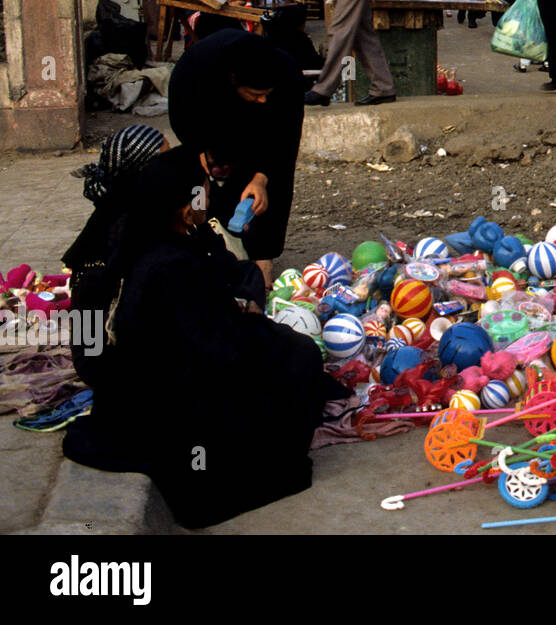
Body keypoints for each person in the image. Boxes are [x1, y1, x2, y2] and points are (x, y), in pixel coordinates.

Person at [62, 147, 348, 528]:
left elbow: (223, 285)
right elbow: (218, 349)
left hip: (141, 383)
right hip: (166, 394)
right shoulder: (155, 266)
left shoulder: (142, 234)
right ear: (182, 206)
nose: (209, 195)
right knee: (297, 358)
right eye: (202, 189)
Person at [168, 28, 304, 288]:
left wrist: (262, 177)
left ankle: (263, 256)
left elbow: (286, 138)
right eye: (256, 94)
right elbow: (182, 117)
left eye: (268, 93)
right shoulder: (194, 72)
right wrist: (201, 151)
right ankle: (222, 247)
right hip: (212, 123)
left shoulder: (286, 73)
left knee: (272, 181)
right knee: (213, 184)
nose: (263, 100)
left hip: (266, 130)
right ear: (233, 80)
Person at [63, 126, 169, 386]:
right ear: (145, 169)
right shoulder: (118, 233)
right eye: (166, 160)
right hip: (110, 367)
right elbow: (90, 347)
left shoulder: (138, 214)